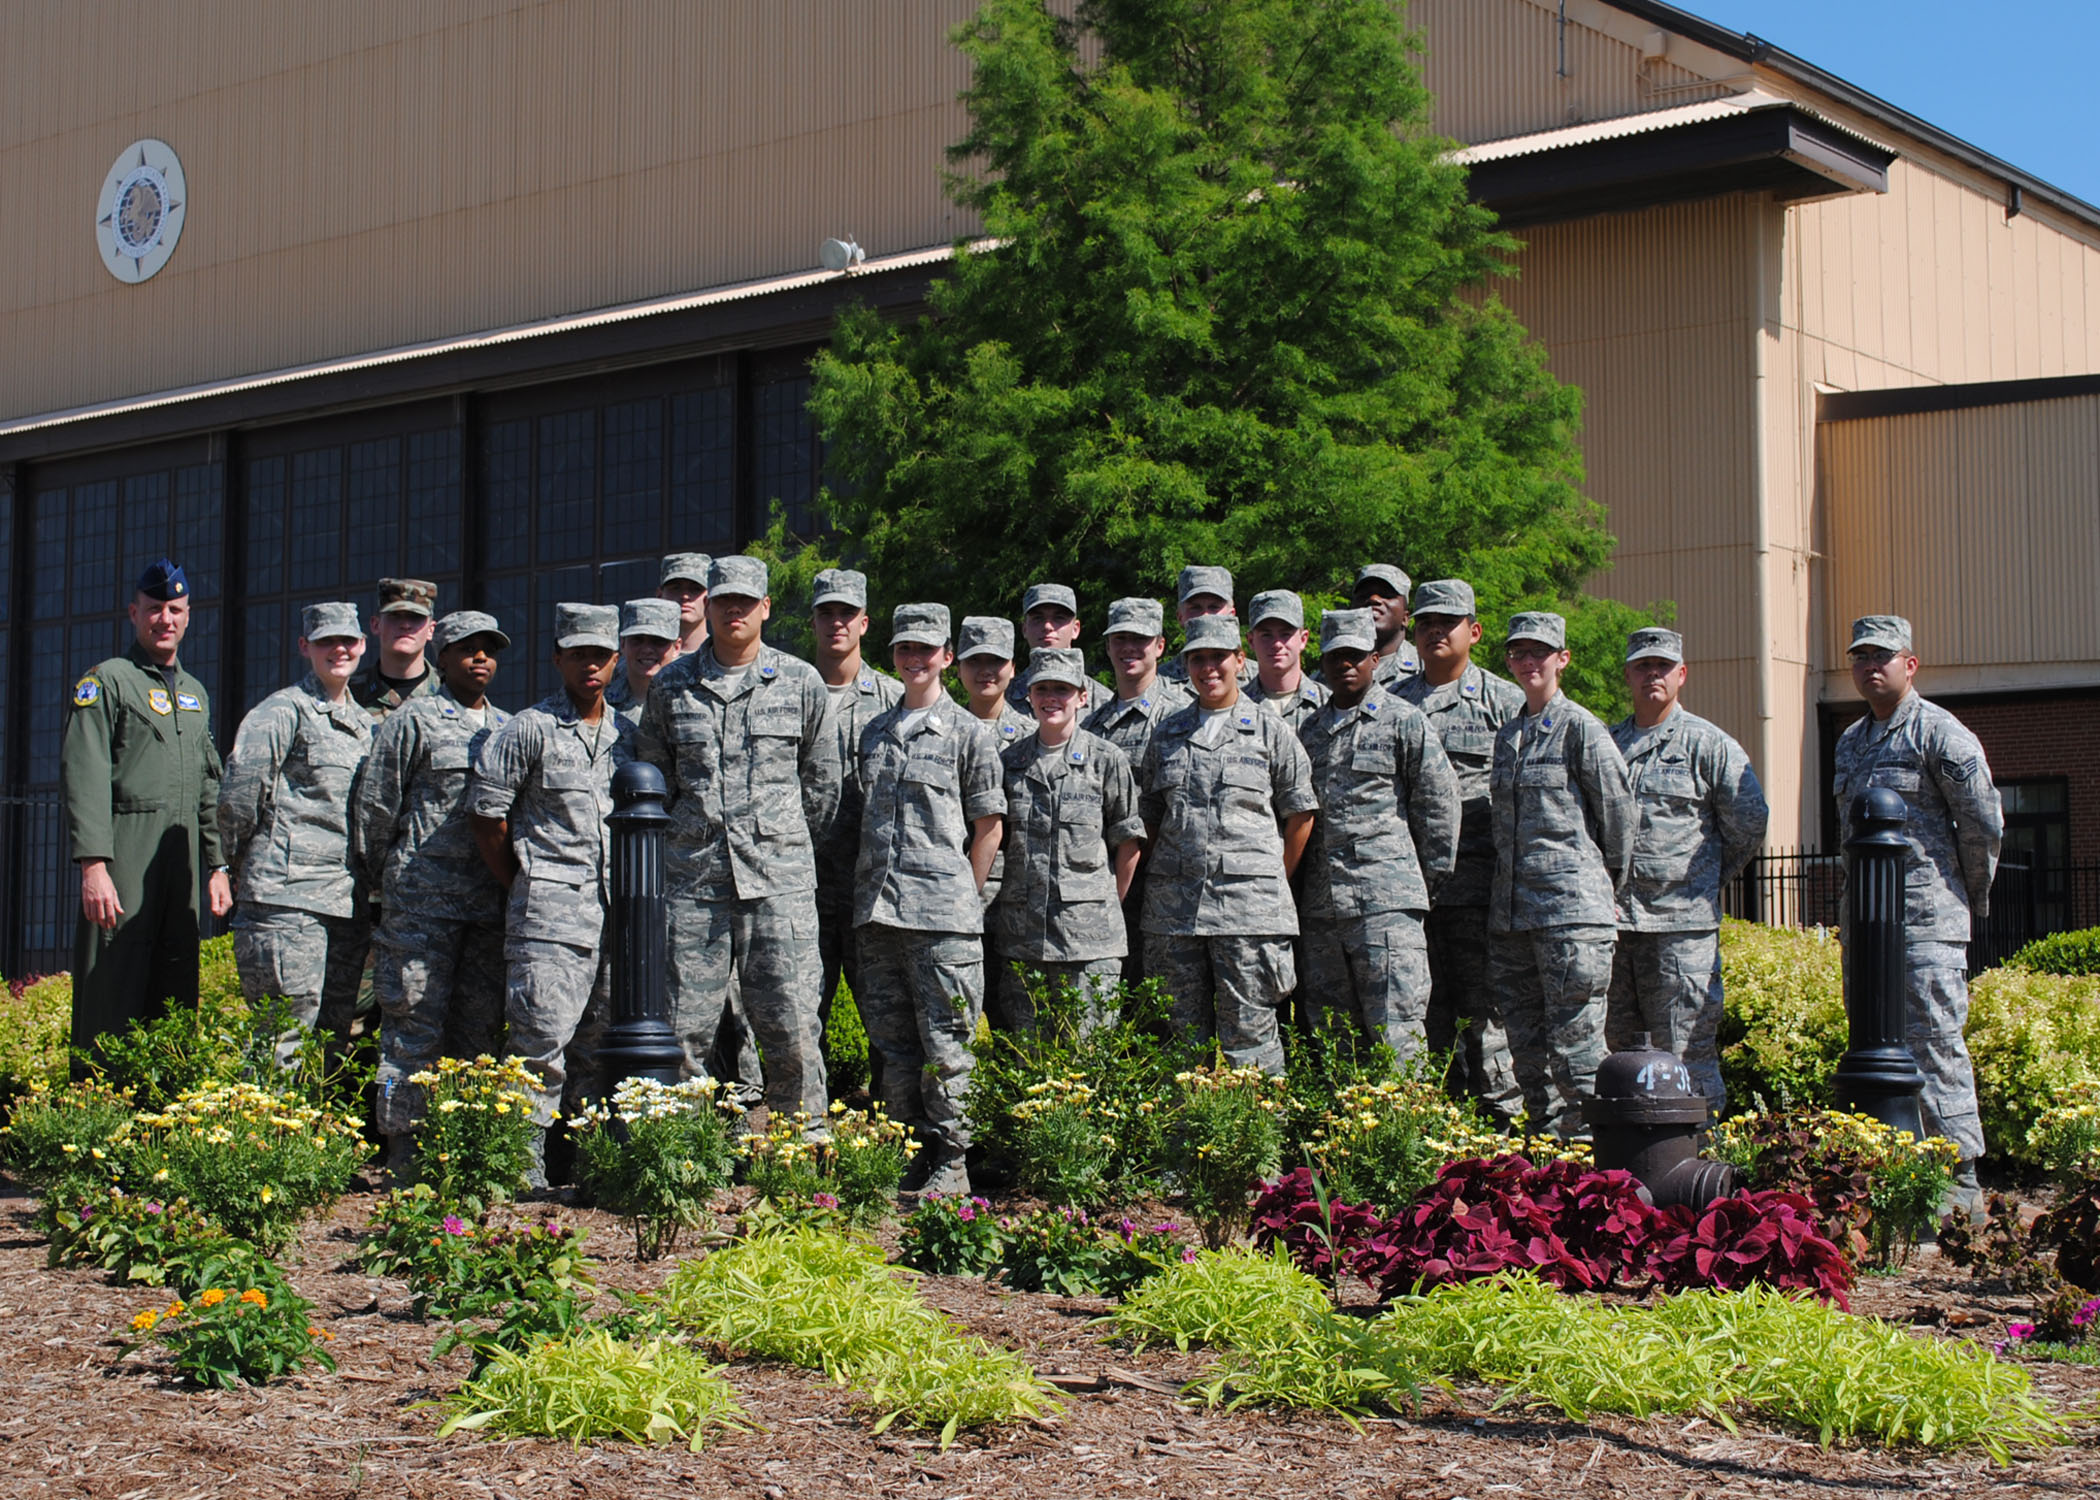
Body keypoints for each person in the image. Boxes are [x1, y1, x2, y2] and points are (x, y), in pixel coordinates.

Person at [635, 555, 842, 1124]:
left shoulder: (801, 683)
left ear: (766, 608)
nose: (733, 610)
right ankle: (686, 1156)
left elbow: (822, 789)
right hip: (694, 886)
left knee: (792, 1026)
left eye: (745, 602)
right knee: (683, 1028)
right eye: (723, 599)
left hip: (779, 887)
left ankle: (799, 1152)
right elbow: (656, 782)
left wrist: (781, 846)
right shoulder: (672, 686)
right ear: (707, 603)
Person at [1833, 614, 2003, 1210]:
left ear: (1911, 664)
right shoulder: (1852, 742)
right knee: (1872, 1047)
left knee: (1934, 1043)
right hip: (1868, 925)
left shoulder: (1941, 734)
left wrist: (1967, 898)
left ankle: (1958, 1176)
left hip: (1927, 921)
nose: (1869, 666)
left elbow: (1982, 824)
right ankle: (1890, 1171)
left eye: (1882, 656)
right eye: (1860, 657)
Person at [466, 603, 631, 1185]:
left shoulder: (629, 735)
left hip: (617, 919)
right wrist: (525, 883)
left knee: (598, 1050)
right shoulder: (529, 729)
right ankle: (522, 1167)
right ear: (558, 658)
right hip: (548, 919)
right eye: (578, 654)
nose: (590, 665)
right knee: (538, 1044)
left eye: (600, 655)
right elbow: (488, 818)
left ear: (615, 661)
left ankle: (587, 1165)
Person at [853, 603, 1006, 1195]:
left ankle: (953, 1160)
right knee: (894, 1047)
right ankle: (908, 1149)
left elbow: (988, 824)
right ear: (894, 656)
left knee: (948, 1045)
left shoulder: (969, 734)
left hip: (942, 919)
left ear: (947, 657)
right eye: (904, 650)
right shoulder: (873, 731)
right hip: (879, 913)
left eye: (927, 650)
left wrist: (962, 899)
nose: (915, 660)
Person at [353, 611, 514, 1163]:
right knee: (411, 1032)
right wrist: (389, 882)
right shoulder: (413, 722)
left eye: (489, 650)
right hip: (421, 911)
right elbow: (375, 809)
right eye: (467, 649)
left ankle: (467, 1151)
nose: (480, 659)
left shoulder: (510, 728)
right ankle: (406, 1153)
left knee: (478, 1035)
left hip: (486, 911)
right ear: (441, 658)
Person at [62, 559, 232, 1062]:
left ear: (188, 616)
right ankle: (98, 1107)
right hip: (125, 857)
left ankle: (165, 1116)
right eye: (154, 609)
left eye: (175, 609)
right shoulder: (107, 681)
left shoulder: (195, 694)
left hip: (178, 866)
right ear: (134, 613)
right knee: (111, 982)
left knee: (176, 987)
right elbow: (85, 773)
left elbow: (208, 785)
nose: (165, 619)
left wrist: (218, 863)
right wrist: (94, 865)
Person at [1139, 614, 1317, 1073]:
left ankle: (1258, 1139)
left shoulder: (1270, 730)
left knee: (1251, 1042)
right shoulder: (1167, 735)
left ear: (1240, 660)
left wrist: (1273, 876)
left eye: (1218, 657)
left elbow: (1299, 814)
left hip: (1250, 913)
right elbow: (1152, 819)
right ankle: (1186, 1141)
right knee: (1179, 1044)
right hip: (1174, 914)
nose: (1208, 668)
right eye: (1197, 659)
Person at [1608, 627, 1768, 1122]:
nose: (1652, 674)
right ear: (1628, 675)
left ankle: (1702, 1168)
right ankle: (1631, 1174)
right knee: (1621, 1057)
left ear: (1682, 675)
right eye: (1642, 666)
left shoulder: (1709, 745)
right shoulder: (1606, 744)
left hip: (1682, 931)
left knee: (1686, 1054)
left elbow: (1748, 823)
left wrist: (1701, 882)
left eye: (1662, 666)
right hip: (1616, 927)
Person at [1487, 611, 1635, 1140]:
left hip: (1571, 914)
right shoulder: (1508, 735)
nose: (1529, 662)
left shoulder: (1581, 729)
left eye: (1540, 653)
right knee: (1527, 1051)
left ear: (1562, 659)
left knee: (1577, 1049)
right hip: (1514, 916)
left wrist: (1602, 886)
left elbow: (1618, 817)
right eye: (1519, 653)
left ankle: (1602, 1162)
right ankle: (1548, 1162)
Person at [1297, 609, 1459, 1060]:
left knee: (1398, 1032)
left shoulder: (1404, 721)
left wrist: (1418, 883)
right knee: (1332, 1033)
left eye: (1355, 656)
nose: (1345, 665)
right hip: (1322, 909)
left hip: (1387, 906)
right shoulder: (1308, 732)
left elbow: (1439, 806)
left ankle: (1402, 1127)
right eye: (1335, 657)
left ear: (1373, 659)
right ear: (1323, 663)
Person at [220, 602, 375, 1056]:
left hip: (343, 906)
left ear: (363, 646)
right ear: (305, 646)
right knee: (281, 1041)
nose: (339, 650)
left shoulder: (366, 726)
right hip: (285, 901)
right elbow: (239, 795)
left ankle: (312, 1130)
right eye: (327, 641)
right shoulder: (282, 712)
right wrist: (229, 864)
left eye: (347, 641)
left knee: (330, 1043)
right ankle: (264, 1129)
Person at [1395, 579, 1526, 1120]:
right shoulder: (1393, 701)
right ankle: (1440, 1130)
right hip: (1411, 890)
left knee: (1487, 1017)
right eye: (1424, 622)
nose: (1433, 632)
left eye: (1446, 623)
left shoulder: (1505, 702)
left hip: (1480, 889)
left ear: (1473, 631)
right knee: (1426, 1016)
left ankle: (1502, 1132)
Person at [991, 647, 1144, 1034]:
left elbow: (1128, 841)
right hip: (1022, 939)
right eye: (1042, 689)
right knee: (1028, 1060)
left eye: (1062, 689)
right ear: (1029, 695)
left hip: (1090, 945)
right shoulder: (1010, 763)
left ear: (1082, 696)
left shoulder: (1106, 760)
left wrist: (1102, 902)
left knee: (1087, 1056)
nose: (1051, 699)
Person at [809, 568, 903, 1047]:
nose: (837, 623)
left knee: (885, 1014)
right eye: (826, 613)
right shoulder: (791, 691)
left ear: (865, 623)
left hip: (875, 885)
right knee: (805, 1010)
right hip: (806, 881)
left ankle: (891, 1115)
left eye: (847, 613)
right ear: (813, 622)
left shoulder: (893, 698)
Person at [1085, 597, 1192, 984]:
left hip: (1167, 889)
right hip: (1105, 883)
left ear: (1160, 646)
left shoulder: (1183, 717)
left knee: (1164, 1007)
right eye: (1120, 639)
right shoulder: (1091, 725)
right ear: (1108, 646)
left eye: (1140, 639)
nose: (1129, 648)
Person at [1004, 583, 1114, 718]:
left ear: (1075, 629)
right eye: (1038, 618)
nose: (1048, 626)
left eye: (1059, 618)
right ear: (1024, 629)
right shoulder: (1003, 698)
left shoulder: (1103, 703)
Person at [350, 578, 442, 719]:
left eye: (415, 617)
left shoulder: (450, 691)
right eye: (395, 616)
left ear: (431, 630)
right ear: (375, 625)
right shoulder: (349, 694)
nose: (405, 625)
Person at [1244, 589, 1328, 731]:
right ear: (1251, 640)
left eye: (1285, 634)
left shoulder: (1327, 704)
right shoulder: (1237, 704)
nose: (1277, 644)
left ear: (1303, 639)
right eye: (1266, 635)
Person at [1159, 565, 1255, 686]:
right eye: (1195, 608)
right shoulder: (1160, 682)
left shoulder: (1259, 679)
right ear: (1180, 617)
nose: (1205, 615)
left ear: (1232, 615)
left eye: (1214, 607)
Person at [955, 616, 1034, 750]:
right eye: (974, 660)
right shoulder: (942, 732)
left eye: (996, 660)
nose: (985, 671)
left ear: (1012, 669)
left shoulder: (1032, 736)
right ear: (959, 669)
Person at [605, 597, 683, 728]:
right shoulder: (601, 701)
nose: (647, 649)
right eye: (637, 640)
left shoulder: (693, 700)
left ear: (676, 648)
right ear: (622, 644)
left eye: (658, 641)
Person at [1351, 564, 1420, 684]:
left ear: (1405, 618)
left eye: (1386, 595)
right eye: (1363, 595)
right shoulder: (1330, 672)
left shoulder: (1427, 669)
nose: (1373, 599)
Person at [658, 553, 712, 654]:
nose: (685, 596)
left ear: (710, 599)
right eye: (675, 588)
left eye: (696, 589)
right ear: (659, 596)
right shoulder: (642, 662)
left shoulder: (725, 658)